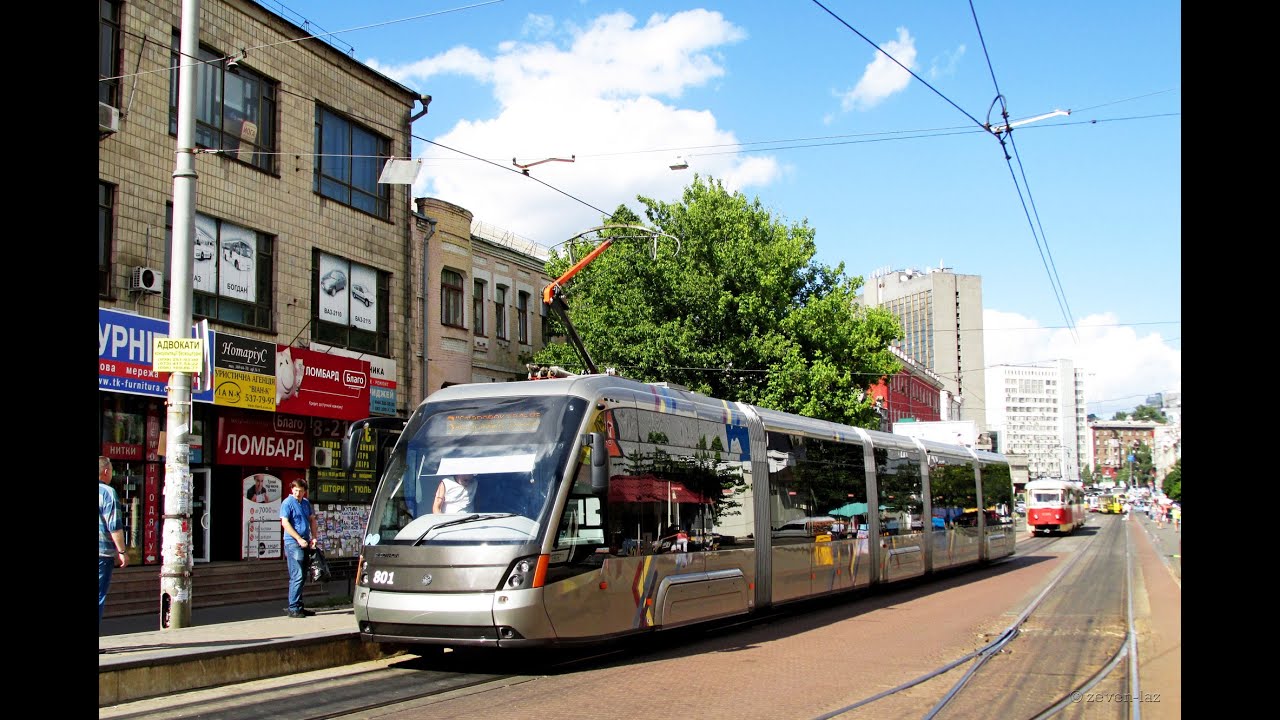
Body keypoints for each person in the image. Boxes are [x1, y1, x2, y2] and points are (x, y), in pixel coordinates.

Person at [280, 479, 319, 618]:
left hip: (305, 542)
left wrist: (314, 537)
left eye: (301, 491)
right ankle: (293, 607)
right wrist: (298, 538)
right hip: (293, 543)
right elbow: (285, 523)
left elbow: (312, 520)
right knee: (297, 575)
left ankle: (299, 606)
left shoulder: (306, 503)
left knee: (302, 575)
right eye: (296, 490)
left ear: (305, 491)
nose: (298, 493)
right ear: (292, 490)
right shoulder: (287, 503)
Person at [99, 456, 128, 638]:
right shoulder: (108, 493)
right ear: (106, 471)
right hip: (102, 554)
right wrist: (122, 551)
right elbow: (114, 525)